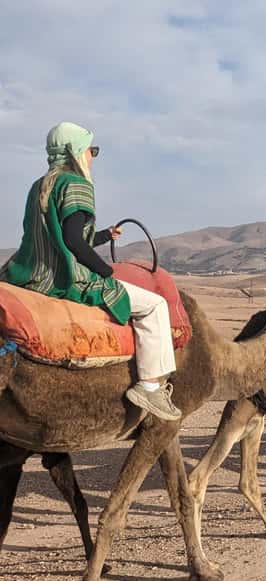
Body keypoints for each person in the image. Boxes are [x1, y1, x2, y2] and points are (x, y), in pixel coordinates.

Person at [0, 122, 182, 420]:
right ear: (75, 152)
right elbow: (73, 241)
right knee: (155, 305)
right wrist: (104, 271)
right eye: (90, 150)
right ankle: (150, 386)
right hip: (62, 278)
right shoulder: (76, 184)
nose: (92, 156)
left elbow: (60, 237)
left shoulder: (39, 186)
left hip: (26, 274)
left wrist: (104, 235)